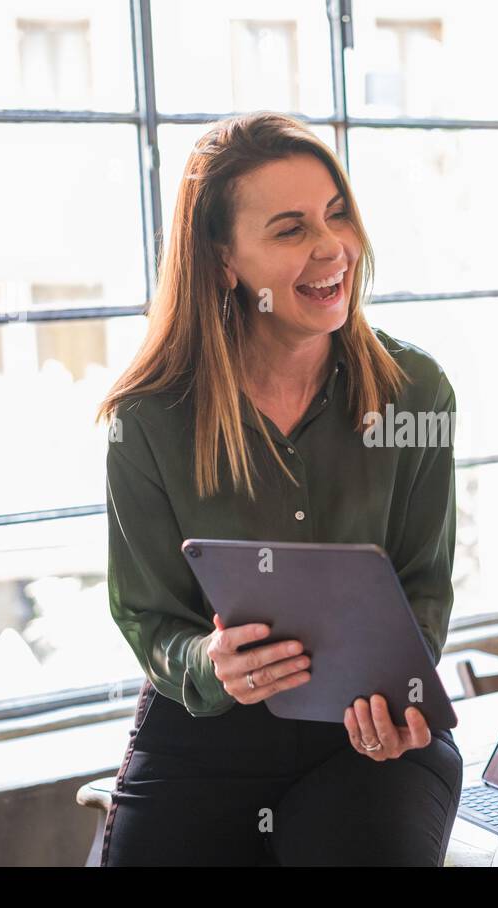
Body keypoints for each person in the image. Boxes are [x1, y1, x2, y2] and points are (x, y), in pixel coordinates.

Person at [95, 112, 461, 866]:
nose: (332, 248)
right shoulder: (148, 419)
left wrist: (405, 698)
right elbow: (148, 615)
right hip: (205, 735)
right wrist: (210, 662)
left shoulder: (416, 393)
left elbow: (424, 582)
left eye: (337, 215)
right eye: (290, 229)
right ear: (224, 261)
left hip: (371, 737)